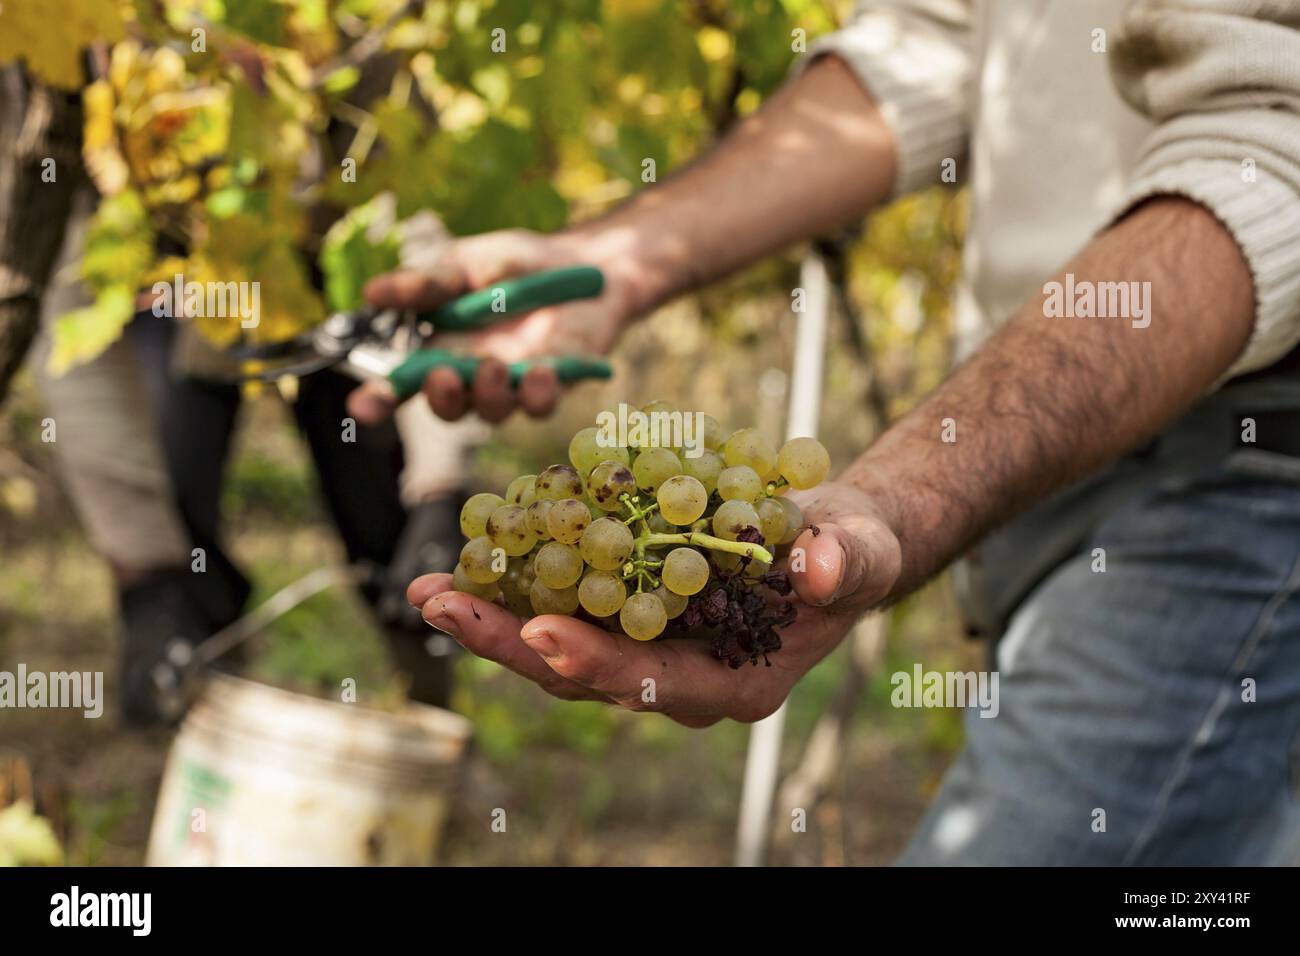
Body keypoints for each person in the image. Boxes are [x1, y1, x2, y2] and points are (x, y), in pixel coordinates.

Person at [358, 1, 1300, 864]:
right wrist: (609, 259)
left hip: (1240, 463)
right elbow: (933, 47)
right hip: (1070, 449)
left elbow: (1271, 149)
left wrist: (897, 496)